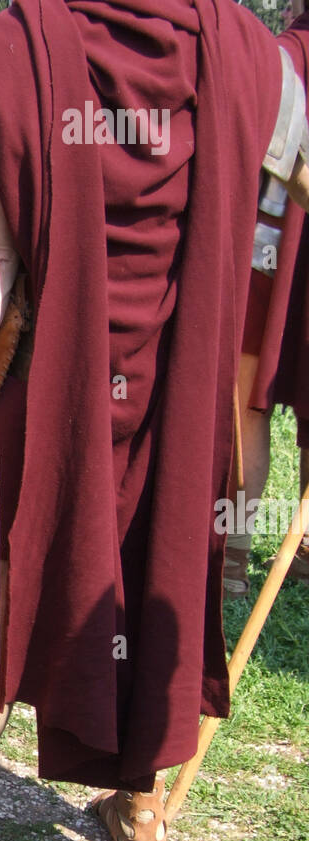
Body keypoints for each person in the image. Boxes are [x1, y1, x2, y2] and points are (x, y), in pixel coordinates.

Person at [0, 0, 309, 841]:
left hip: (49, 382)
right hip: (180, 398)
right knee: (153, 565)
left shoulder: (16, 50)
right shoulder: (257, 60)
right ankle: (136, 807)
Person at [226, 4, 309, 597]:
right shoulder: (283, 54)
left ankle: (232, 557)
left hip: (267, 257)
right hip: (281, 258)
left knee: (243, 409)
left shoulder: (283, 57)